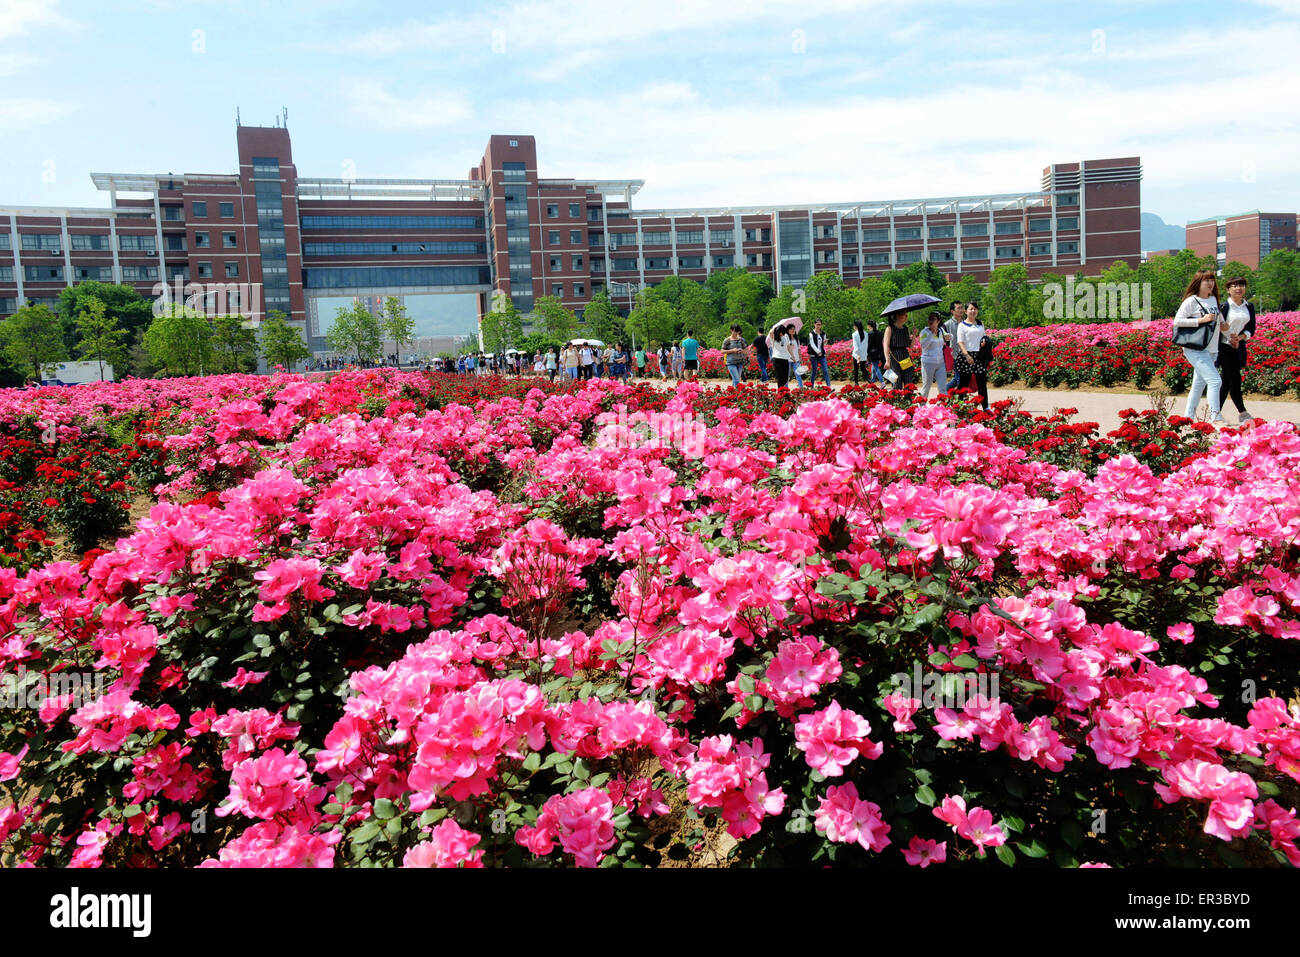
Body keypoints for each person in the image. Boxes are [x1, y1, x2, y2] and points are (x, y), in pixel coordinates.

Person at [1173, 270, 1226, 425]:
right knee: (1215, 381)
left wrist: (1227, 330)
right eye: (1206, 280)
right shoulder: (1191, 301)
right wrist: (1201, 320)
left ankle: (1188, 417)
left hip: (1211, 348)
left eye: (1212, 280)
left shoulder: (1214, 300)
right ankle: (1215, 416)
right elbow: (1177, 321)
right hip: (1195, 348)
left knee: (1198, 385)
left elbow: (1220, 322)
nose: (1210, 283)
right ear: (1198, 283)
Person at [1217, 276, 1257, 425]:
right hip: (1223, 347)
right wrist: (1230, 338)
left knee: (1230, 381)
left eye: (1241, 285)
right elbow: (1218, 327)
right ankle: (1241, 412)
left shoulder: (1249, 306)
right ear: (1228, 290)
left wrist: (1240, 338)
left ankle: (1218, 413)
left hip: (1239, 347)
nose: (1238, 288)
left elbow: (1251, 328)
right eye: (1234, 286)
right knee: (1230, 379)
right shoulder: (1224, 307)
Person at [953, 301, 989, 411]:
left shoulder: (980, 324)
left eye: (975, 309)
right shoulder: (962, 325)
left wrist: (983, 342)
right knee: (963, 384)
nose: (973, 311)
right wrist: (967, 355)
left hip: (979, 355)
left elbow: (984, 336)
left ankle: (985, 407)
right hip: (966, 356)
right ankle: (959, 407)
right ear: (966, 311)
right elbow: (960, 342)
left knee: (982, 384)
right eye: (971, 309)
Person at [918, 311, 948, 398]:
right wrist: (931, 334)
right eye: (929, 318)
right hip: (928, 363)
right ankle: (921, 406)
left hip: (940, 363)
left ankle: (943, 407)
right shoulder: (925, 332)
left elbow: (948, 336)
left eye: (933, 319)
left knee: (942, 387)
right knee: (926, 386)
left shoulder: (941, 330)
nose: (930, 321)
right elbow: (924, 345)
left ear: (938, 321)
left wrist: (949, 336)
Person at [883, 311, 915, 390]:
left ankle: (908, 399)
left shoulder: (906, 329)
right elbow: (886, 345)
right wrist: (887, 360)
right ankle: (898, 400)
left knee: (908, 379)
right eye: (904, 315)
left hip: (905, 355)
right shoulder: (890, 328)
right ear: (897, 315)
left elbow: (910, 346)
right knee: (896, 381)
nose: (906, 317)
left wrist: (914, 335)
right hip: (894, 356)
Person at [767, 323, 796, 389]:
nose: (781, 334)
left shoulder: (786, 336)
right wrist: (777, 325)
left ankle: (782, 389)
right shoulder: (774, 337)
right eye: (779, 332)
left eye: (781, 332)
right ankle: (780, 392)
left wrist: (793, 357)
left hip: (785, 358)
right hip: (777, 359)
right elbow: (770, 332)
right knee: (780, 377)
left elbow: (788, 348)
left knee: (785, 377)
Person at [942, 301, 963, 393]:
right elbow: (943, 341)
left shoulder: (965, 323)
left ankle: (944, 391)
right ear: (952, 311)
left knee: (957, 379)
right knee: (960, 380)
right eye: (958, 308)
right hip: (954, 355)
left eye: (961, 308)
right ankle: (960, 398)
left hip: (965, 354)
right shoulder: (946, 325)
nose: (961, 310)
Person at [807, 320, 831, 387]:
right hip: (814, 355)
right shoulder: (811, 334)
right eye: (817, 324)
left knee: (825, 370)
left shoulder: (823, 333)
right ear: (814, 324)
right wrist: (818, 351)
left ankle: (829, 386)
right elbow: (812, 344)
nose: (818, 326)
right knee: (814, 371)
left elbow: (824, 344)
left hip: (822, 355)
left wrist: (825, 342)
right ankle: (811, 386)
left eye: (819, 324)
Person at [850, 320, 872, 385]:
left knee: (856, 369)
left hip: (857, 355)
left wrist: (857, 354)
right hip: (863, 354)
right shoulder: (866, 333)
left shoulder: (854, 334)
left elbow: (855, 345)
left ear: (856, 326)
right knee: (863, 368)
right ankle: (869, 380)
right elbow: (867, 344)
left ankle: (856, 383)